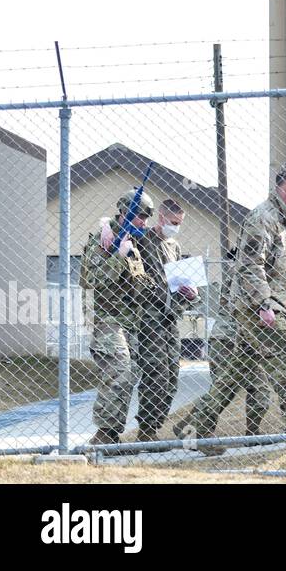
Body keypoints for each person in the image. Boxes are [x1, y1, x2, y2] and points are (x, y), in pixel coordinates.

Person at [190, 162, 286, 443]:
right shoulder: (263, 217)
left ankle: (199, 423)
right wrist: (263, 304)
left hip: (263, 306)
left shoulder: (283, 219)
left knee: (236, 372)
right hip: (259, 309)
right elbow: (249, 265)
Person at [80, 188, 161, 446]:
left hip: (129, 322)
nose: (144, 222)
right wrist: (118, 256)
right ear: (124, 212)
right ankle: (102, 434)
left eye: (147, 217)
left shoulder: (132, 243)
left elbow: (139, 285)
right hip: (105, 319)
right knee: (119, 370)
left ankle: (111, 436)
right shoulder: (103, 240)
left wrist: (153, 283)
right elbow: (90, 280)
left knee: (129, 376)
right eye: (140, 216)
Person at [172, 241, 269, 441]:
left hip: (249, 343)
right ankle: (197, 430)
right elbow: (205, 299)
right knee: (223, 392)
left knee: (260, 390)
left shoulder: (260, 282)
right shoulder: (232, 283)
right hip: (225, 342)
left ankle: (252, 434)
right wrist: (194, 296)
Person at [127, 198, 199, 442]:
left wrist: (189, 292)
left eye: (179, 223)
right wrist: (106, 225)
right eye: (172, 222)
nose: (175, 227)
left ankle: (155, 426)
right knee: (155, 372)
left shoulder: (174, 246)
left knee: (171, 375)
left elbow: (178, 280)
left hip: (170, 316)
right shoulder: (143, 238)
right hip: (149, 315)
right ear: (160, 217)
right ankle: (146, 429)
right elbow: (120, 229)